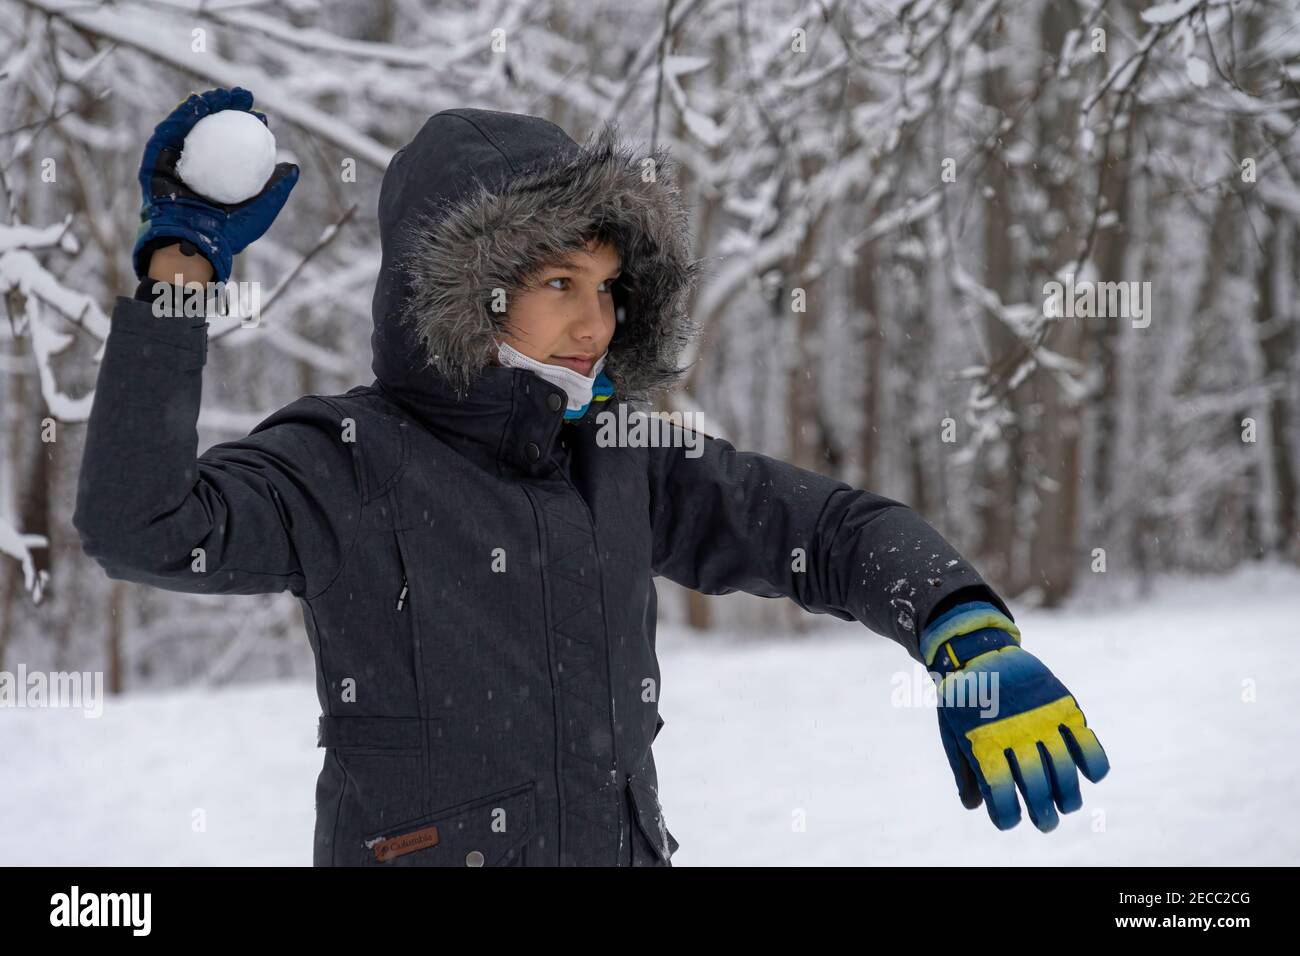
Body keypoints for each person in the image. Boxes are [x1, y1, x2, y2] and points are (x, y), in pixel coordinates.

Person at [73, 87, 1109, 867]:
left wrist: (956, 624)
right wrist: (180, 279)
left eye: (609, 287)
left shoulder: (616, 459)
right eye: (557, 283)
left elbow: (825, 528)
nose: (595, 322)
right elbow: (144, 524)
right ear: (465, 291)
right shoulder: (343, 461)